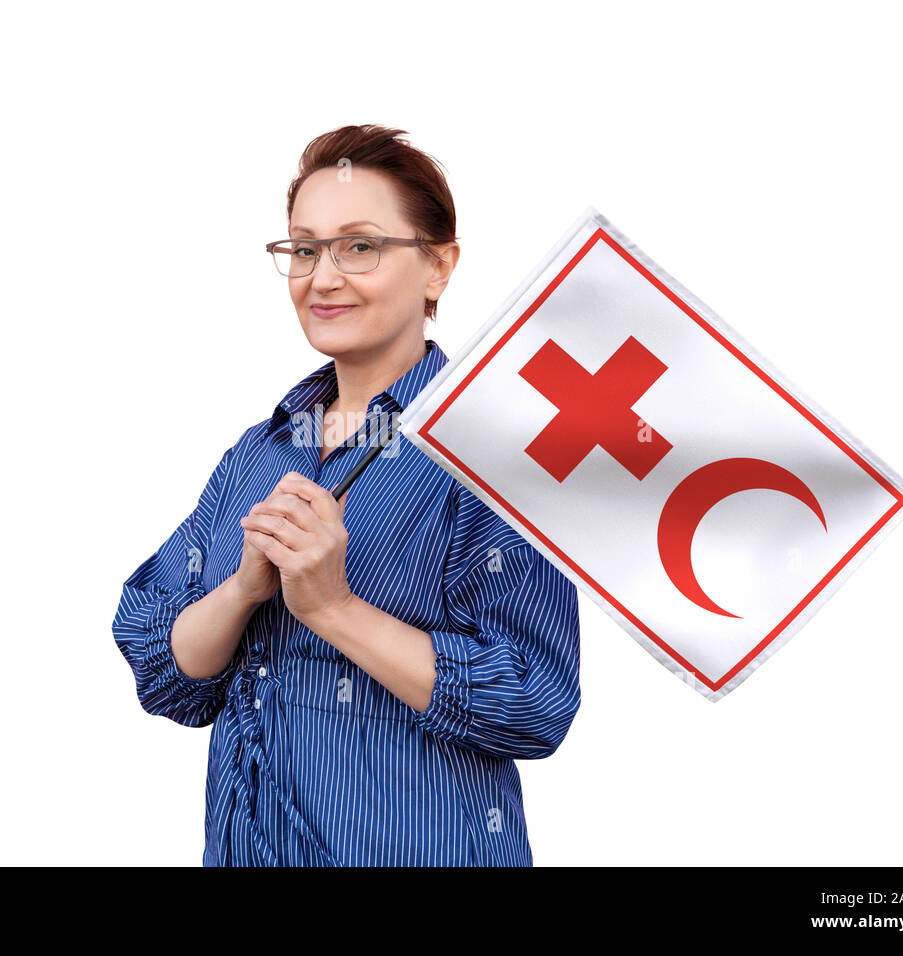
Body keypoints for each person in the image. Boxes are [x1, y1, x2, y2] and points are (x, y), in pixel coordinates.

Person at [111, 124, 581, 866]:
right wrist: (240, 591)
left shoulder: (491, 459)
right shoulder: (259, 453)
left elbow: (533, 703)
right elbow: (165, 672)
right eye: (303, 249)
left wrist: (332, 607)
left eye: (359, 246)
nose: (322, 277)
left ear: (438, 267)